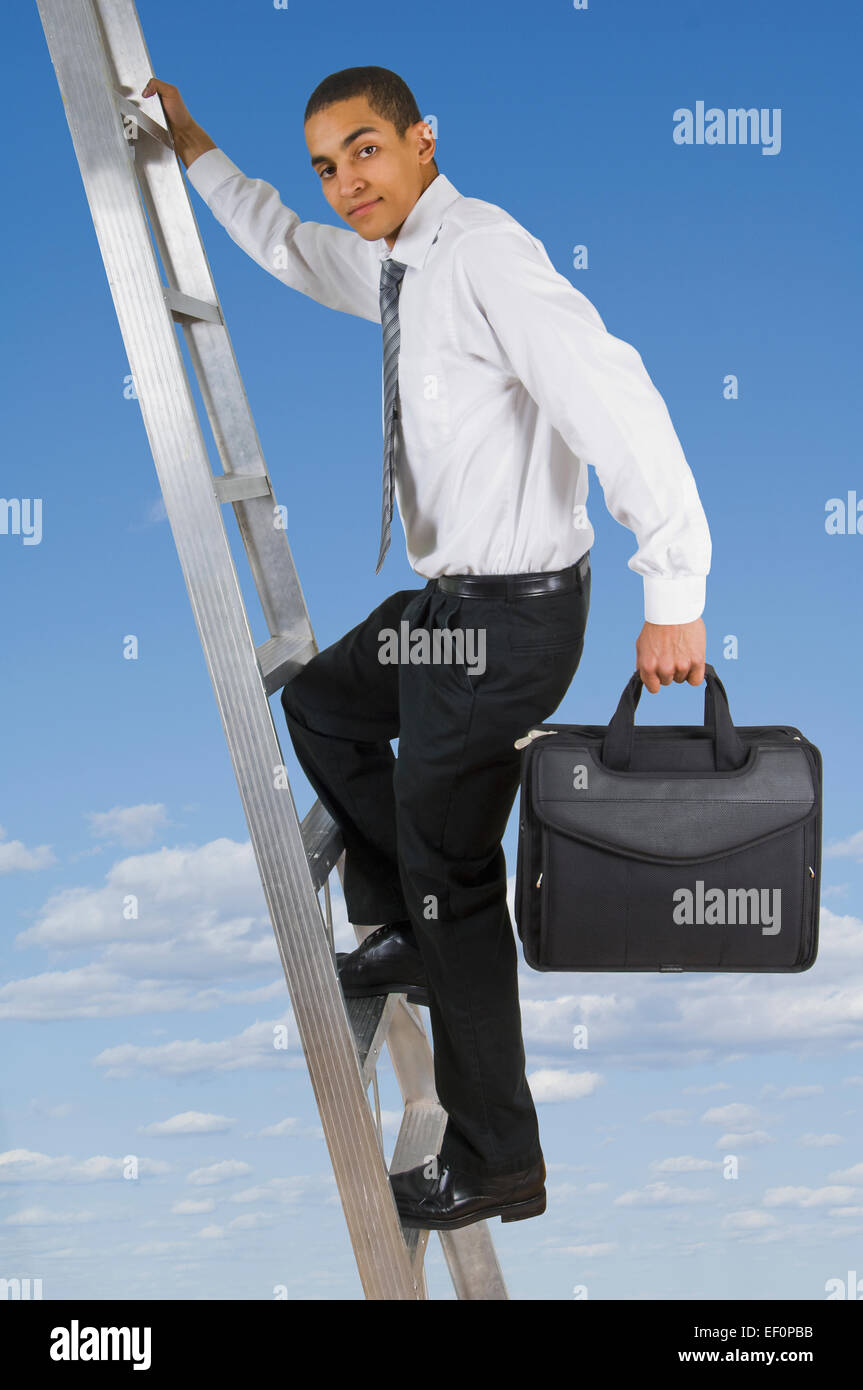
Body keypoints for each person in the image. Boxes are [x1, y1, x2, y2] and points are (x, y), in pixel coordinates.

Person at [141, 66, 710, 1231]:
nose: (345, 182)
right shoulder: (394, 259)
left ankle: (499, 1158)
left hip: (511, 621)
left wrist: (677, 589)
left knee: (458, 882)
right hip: (453, 604)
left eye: (364, 151)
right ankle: (401, 924)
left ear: (420, 142)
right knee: (328, 707)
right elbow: (290, 246)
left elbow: (618, 396)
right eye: (327, 164)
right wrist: (195, 144)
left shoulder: (485, 254)